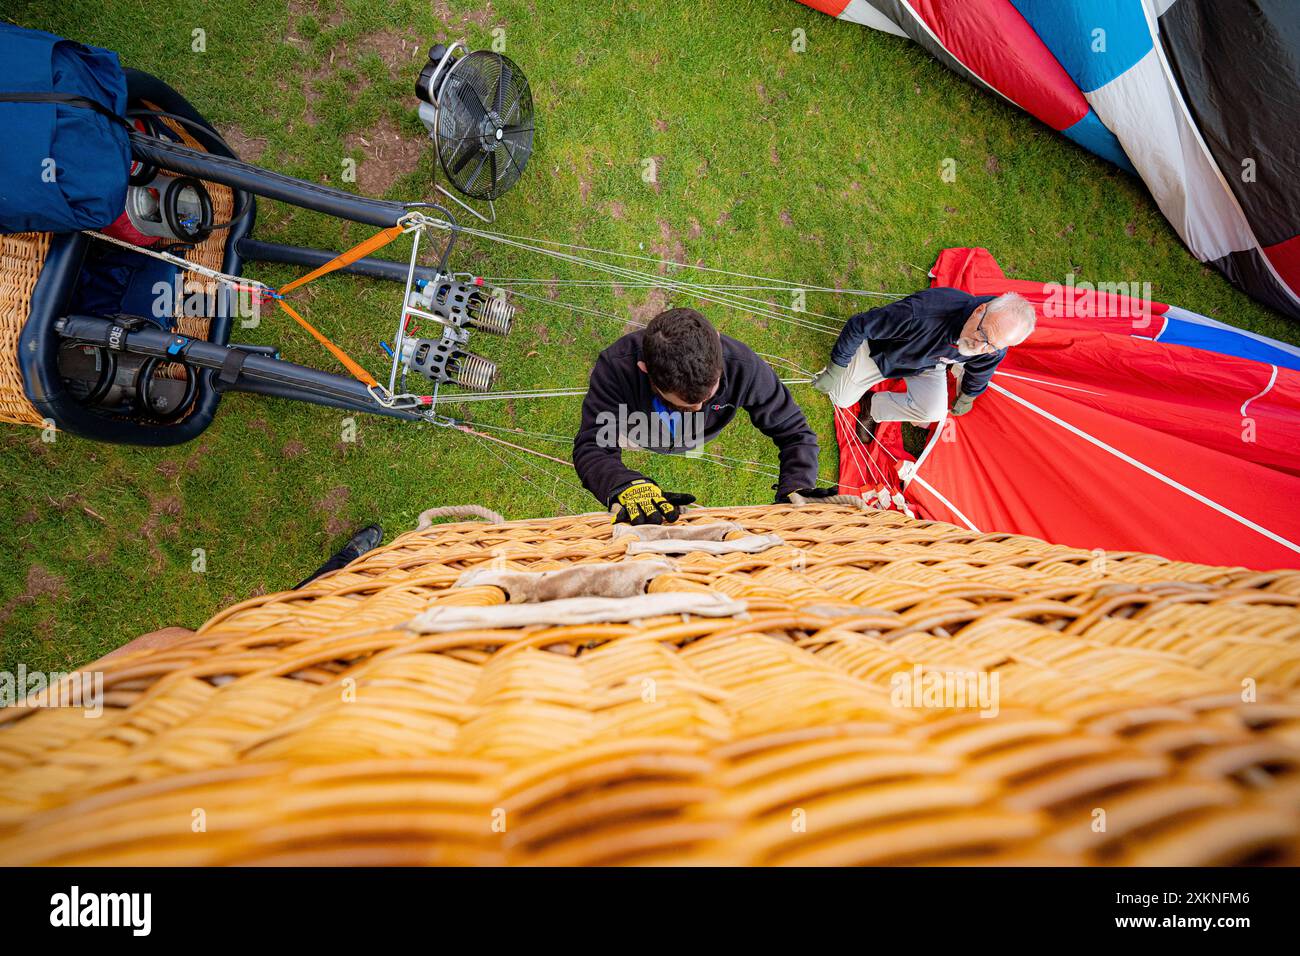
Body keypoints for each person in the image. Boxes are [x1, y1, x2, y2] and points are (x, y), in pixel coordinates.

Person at [574, 308, 831, 524]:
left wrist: (796, 486)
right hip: (636, 433)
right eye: (682, 404)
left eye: (708, 397)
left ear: (718, 344)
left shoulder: (744, 366)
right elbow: (594, 446)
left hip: (677, 436)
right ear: (644, 370)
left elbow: (796, 434)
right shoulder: (616, 368)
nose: (698, 410)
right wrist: (623, 484)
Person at [811, 289, 1035, 442]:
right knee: (840, 399)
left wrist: (968, 396)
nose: (980, 346)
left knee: (933, 411)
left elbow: (981, 371)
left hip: (928, 364)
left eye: (992, 346)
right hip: (883, 352)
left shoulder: (992, 344)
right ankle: (851, 378)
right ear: (979, 311)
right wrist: (835, 368)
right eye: (982, 335)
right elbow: (859, 326)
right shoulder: (922, 313)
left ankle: (873, 407)